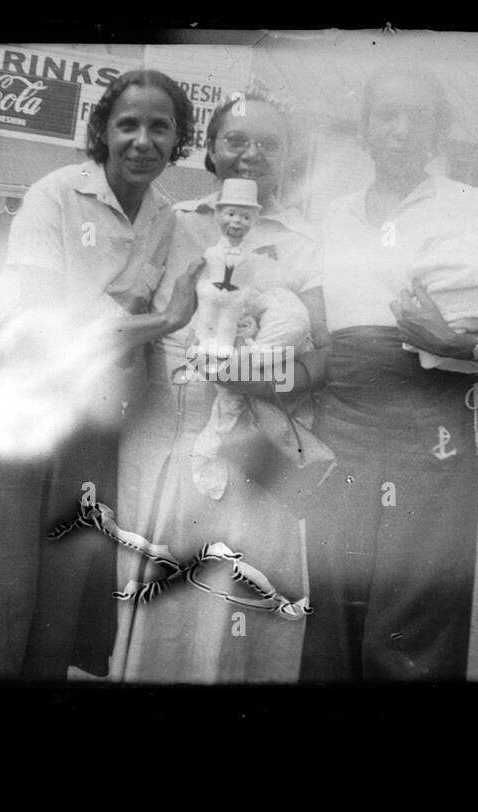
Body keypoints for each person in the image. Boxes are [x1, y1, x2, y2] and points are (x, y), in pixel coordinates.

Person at [299, 65, 478, 683]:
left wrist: (455, 340)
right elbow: (314, 328)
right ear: (363, 126)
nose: (402, 129)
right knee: (333, 591)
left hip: (436, 422)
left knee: (418, 600)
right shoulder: (331, 215)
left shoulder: (473, 207)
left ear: (440, 128)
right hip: (343, 420)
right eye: (387, 114)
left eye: (419, 116)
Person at [0, 69, 201, 681]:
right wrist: (162, 319)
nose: (143, 140)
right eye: (127, 125)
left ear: (178, 140)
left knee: (67, 574)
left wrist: (131, 323)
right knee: (9, 576)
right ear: (102, 131)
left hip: (93, 403)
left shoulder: (166, 218)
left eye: (159, 127)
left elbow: (127, 322)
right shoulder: (57, 192)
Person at [111, 92, 329, 683]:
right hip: (170, 445)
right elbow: (116, 323)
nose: (251, 154)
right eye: (235, 140)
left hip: (256, 450)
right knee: (167, 604)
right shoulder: (175, 223)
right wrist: (169, 322)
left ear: (288, 159)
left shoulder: (306, 243)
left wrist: (264, 377)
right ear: (210, 150)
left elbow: (324, 358)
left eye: (269, 144)